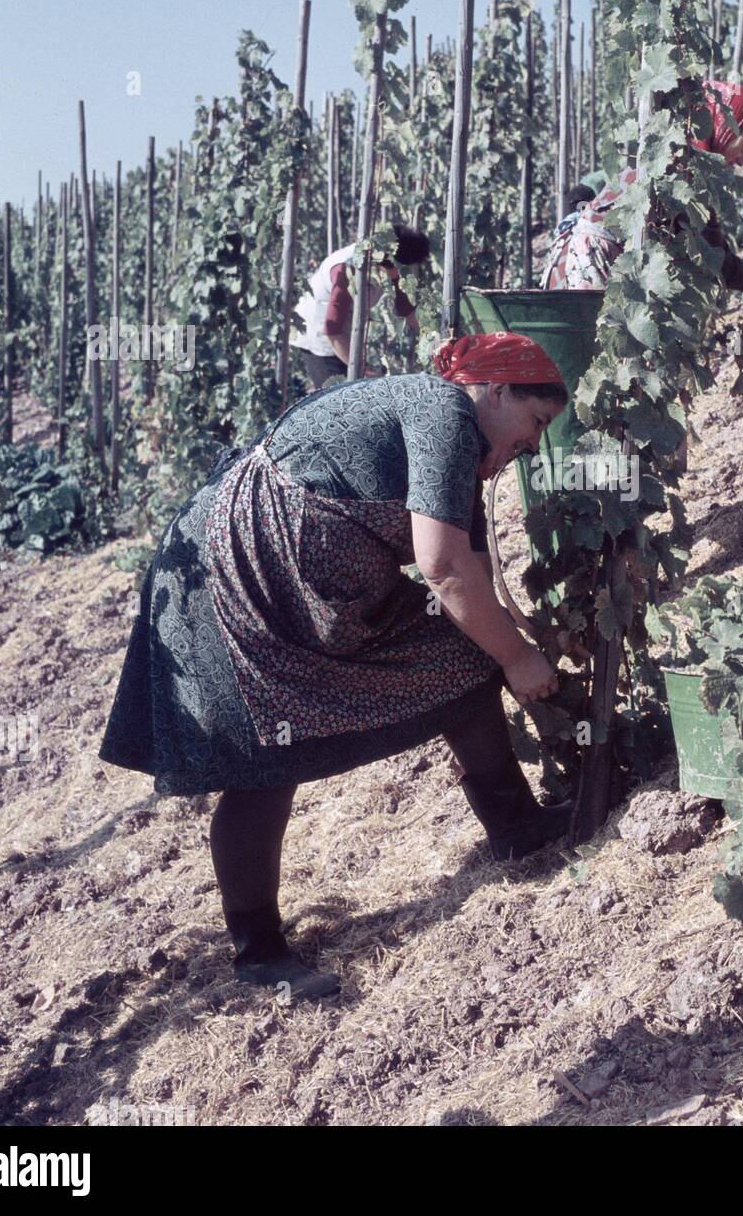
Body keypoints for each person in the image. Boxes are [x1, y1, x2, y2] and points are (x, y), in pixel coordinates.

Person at [98, 332, 572, 1002]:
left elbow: (468, 565)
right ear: (495, 392)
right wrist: (520, 660)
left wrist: (514, 636)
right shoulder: (443, 412)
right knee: (264, 756)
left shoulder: (455, 432)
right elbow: (440, 567)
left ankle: (517, 828)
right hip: (232, 580)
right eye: (534, 423)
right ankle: (258, 953)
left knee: (463, 649)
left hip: (307, 592)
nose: (532, 445)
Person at [537, 80, 743, 323]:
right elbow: (710, 256)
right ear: (722, 130)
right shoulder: (683, 168)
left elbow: (707, 250)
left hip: (600, 258)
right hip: (596, 259)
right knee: (599, 351)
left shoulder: (681, 160)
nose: (742, 161)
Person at [292, 223, 429, 390]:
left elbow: (406, 310)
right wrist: (360, 368)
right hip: (317, 332)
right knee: (334, 397)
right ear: (390, 259)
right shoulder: (345, 270)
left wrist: (433, 335)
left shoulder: (388, 263)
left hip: (344, 330)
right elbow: (332, 331)